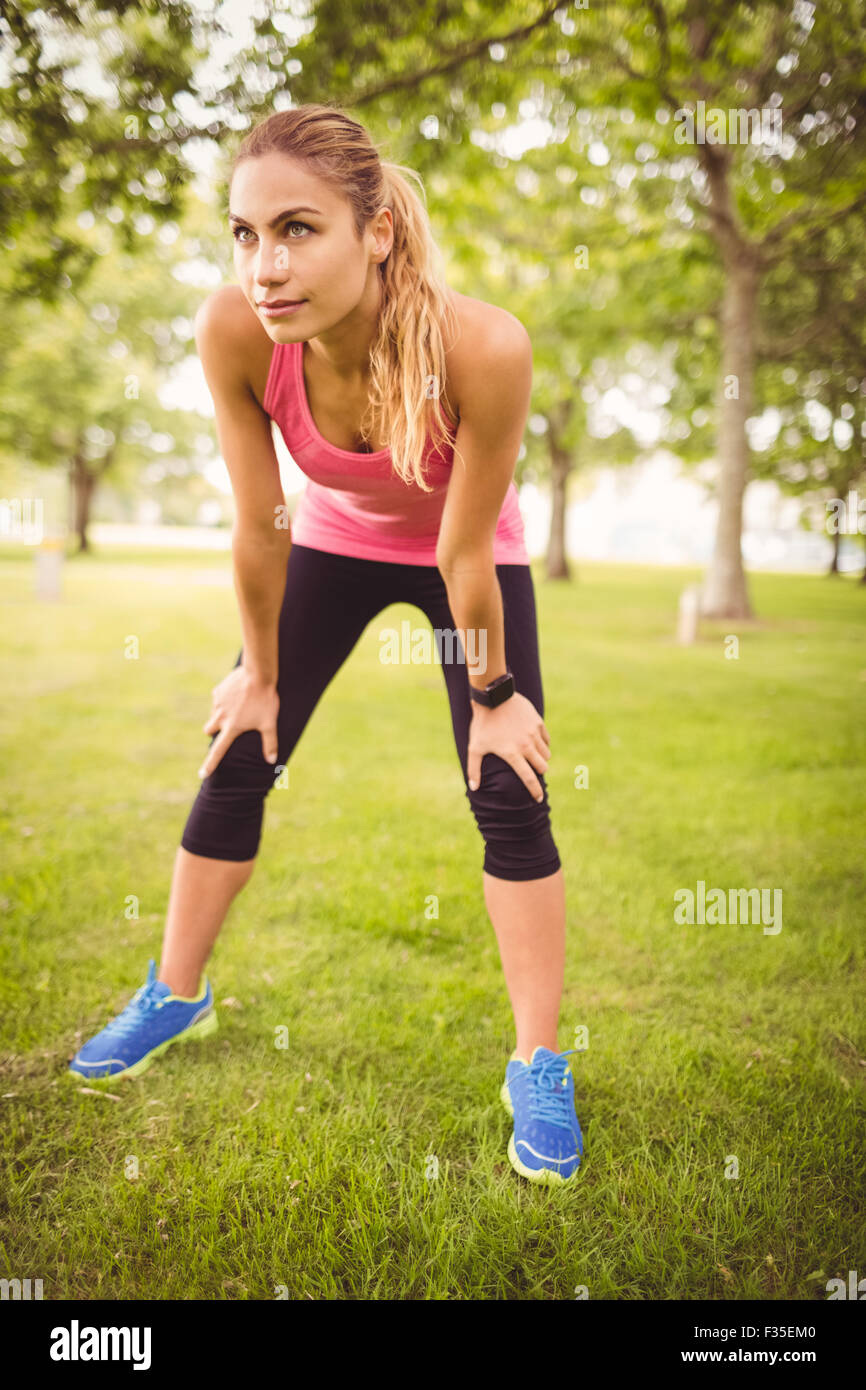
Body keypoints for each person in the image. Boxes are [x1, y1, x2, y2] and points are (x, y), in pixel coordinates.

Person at [68, 104, 583, 1184]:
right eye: (245, 233)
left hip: (467, 556)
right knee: (235, 749)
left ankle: (537, 1058)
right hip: (334, 546)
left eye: (297, 229)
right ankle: (176, 992)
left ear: (377, 230)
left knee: (508, 783)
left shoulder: (483, 347)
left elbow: (461, 552)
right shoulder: (236, 332)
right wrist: (256, 674)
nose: (265, 265)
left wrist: (492, 693)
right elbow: (261, 519)